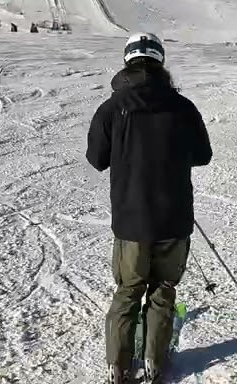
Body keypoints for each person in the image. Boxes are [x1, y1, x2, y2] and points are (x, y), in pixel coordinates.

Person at [86, 33, 212, 383]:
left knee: (128, 290)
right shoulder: (182, 106)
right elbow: (203, 155)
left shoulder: (112, 108)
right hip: (174, 219)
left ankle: (118, 366)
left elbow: (96, 159)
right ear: (160, 62)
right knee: (163, 288)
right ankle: (156, 363)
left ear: (127, 61)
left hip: (131, 222)